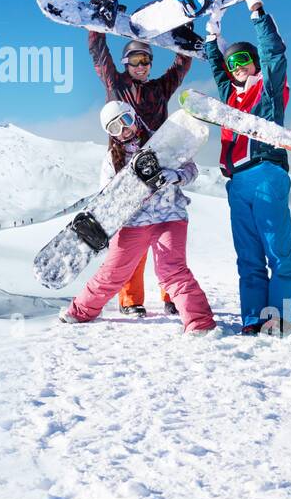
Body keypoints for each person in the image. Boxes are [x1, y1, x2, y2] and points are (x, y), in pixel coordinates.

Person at [59, 101, 216, 334]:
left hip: (169, 216)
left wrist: (177, 176)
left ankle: (200, 323)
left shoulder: (164, 143)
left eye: (126, 121)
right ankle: (80, 311)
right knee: (113, 272)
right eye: (115, 128)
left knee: (172, 270)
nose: (124, 130)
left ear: (134, 117)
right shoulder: (111, 160)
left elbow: (192, 169)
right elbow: (108, 197)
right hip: (134, 222)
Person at [87, 0, 192, 316]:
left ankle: (171, 295)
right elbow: (98, 54)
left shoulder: (160, 89)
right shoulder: (115, 85)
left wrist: (184, 33)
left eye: (145, 61)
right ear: (126, 64)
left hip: (158, 166)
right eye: (134, 62)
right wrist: (98, 21)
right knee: (131, 235)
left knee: (164, 236)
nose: (141, 67)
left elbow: (181, 65)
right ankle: (131, 300)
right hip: (125, 167)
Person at [203, 0, 291, 335]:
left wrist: (257, 13)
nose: (237, 67)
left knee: (278, 251)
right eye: (233, 64)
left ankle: (282, 316)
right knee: (248, 257)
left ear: (255, 61)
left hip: (266, 171)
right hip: (237, 182)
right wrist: (212, 37)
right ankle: (254, 318)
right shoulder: (230, 98)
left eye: (244, 60)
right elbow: (218, 69)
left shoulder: (268, 88)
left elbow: (275, 54)